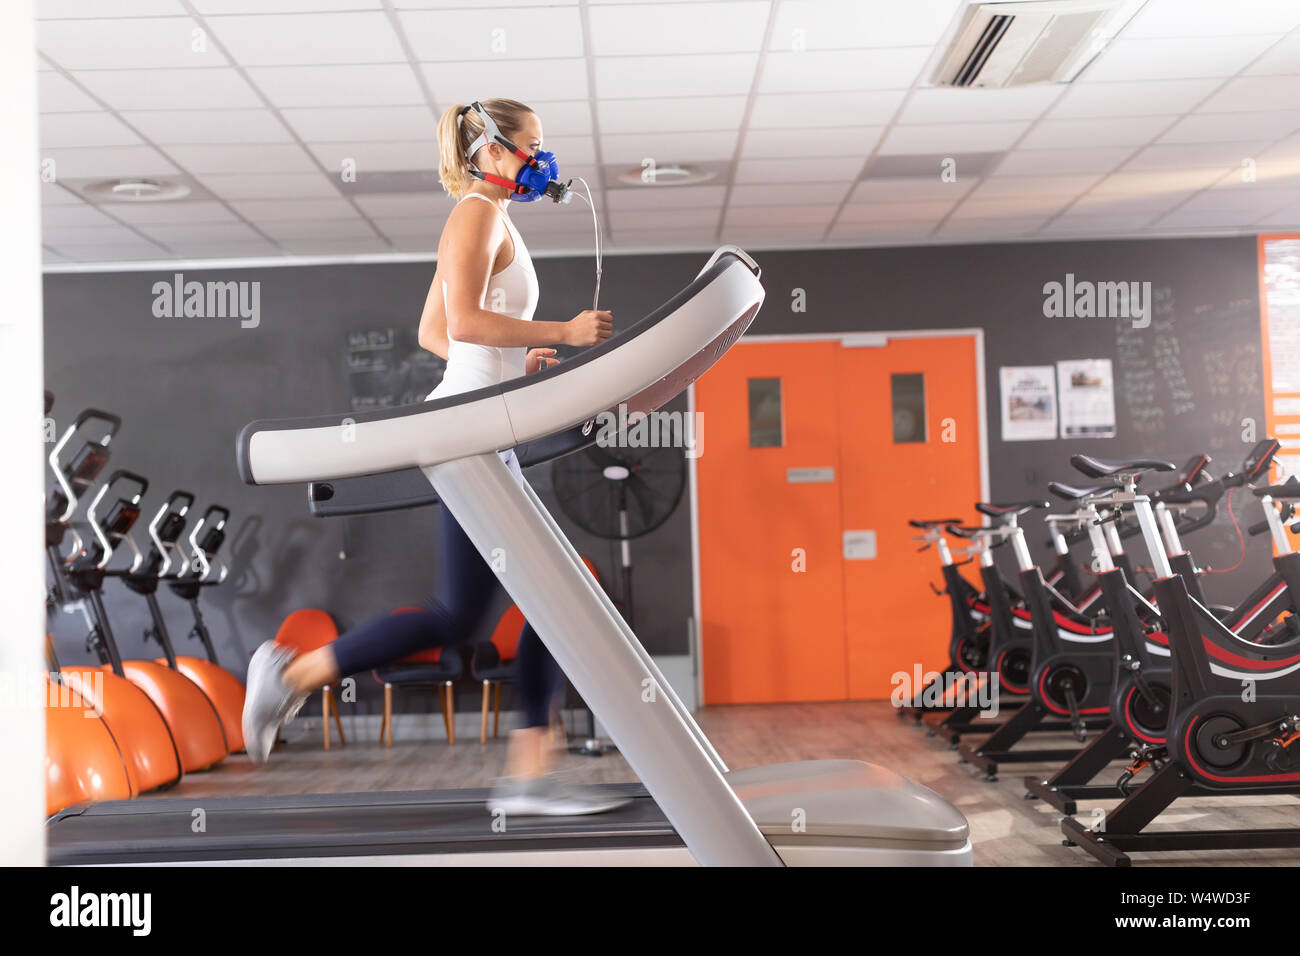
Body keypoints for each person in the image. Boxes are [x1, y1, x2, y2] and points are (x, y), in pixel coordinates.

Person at [243, 98, 621, 816]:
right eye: (529, 146)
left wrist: (519, 353)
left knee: (462, 617)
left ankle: (293, 677)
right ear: (488, 150)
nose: (542, 159)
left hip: (477, 429)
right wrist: (566, 331)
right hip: (468, 433)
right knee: (555, 595)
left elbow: (432, 333)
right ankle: (530, 773)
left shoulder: (493, 220)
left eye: (544, 145)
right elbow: (465, 323)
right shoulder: (474, 214)